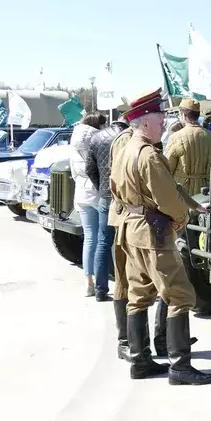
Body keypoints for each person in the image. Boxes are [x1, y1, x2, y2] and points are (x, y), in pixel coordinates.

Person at [110, 88, 211, 385]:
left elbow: (117, 189)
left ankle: (140, 361)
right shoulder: (148, 155)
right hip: (153, 231)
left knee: (138, 295)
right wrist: (181, 219)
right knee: (180, 296)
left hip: (130, 228)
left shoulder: (125, 148)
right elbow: (167, 198)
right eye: (159, 119)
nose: (163, 124)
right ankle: (180, 366)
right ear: (144, 122)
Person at [86, 112, 128, 305]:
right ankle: (123, 286)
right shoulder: (129, 138)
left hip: (105, 195)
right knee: (124, 244)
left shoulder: (96, 137)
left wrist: (101, 187)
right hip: (124, 196)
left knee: (103, 241)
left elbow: (90, 169)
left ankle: (101, 289)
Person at [70, 113, 106, 296]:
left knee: (89, 239)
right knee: (104, 238)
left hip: (82, 194)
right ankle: (102, 282)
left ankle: (88, 283)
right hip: (98, 193)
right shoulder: (98, 141)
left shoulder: (74, 142)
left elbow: (74, 171)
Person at [164, 98, 211, 197]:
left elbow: (166, 168)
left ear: (183, 115)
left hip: (181, 193)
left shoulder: (176, 137)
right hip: (205, 193)